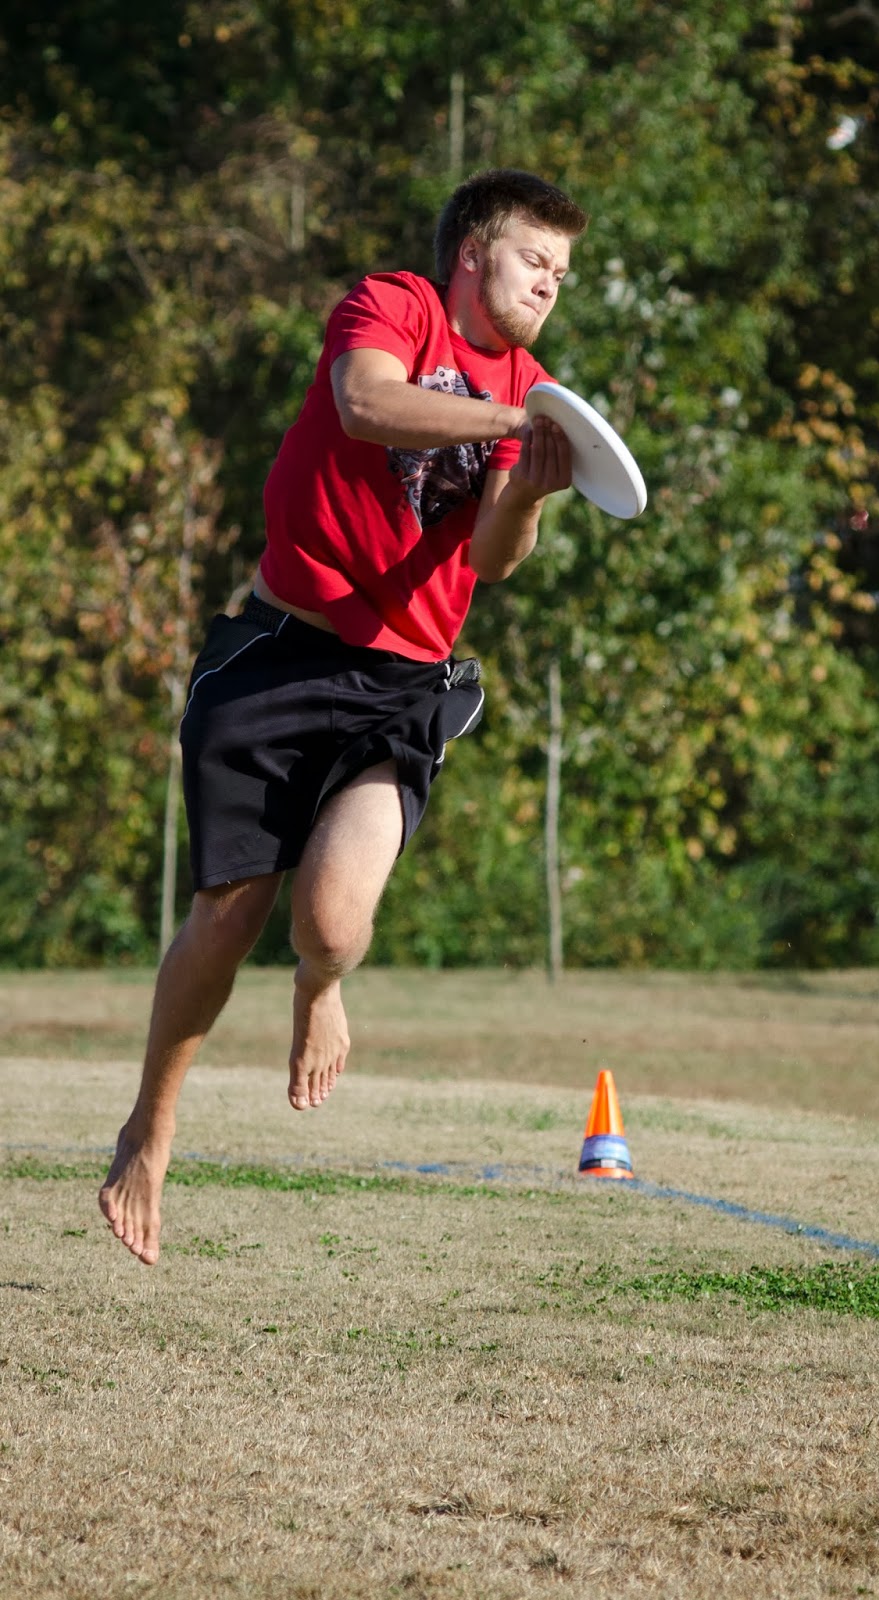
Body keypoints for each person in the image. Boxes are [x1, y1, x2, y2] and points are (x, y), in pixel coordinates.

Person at [98, 168, 589, 1264]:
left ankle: (321, 986)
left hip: (406, 683)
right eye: (536, 261)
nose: (553, 283)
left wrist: (533, 489)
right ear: (473, 252)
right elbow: (367, 403)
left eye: (564, 271)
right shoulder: (394, 305)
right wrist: (512, 416)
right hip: (279, 652)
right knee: (227, 913)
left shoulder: (534, 391)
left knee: (326, 921)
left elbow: (496, 559)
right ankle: (150, 1127)